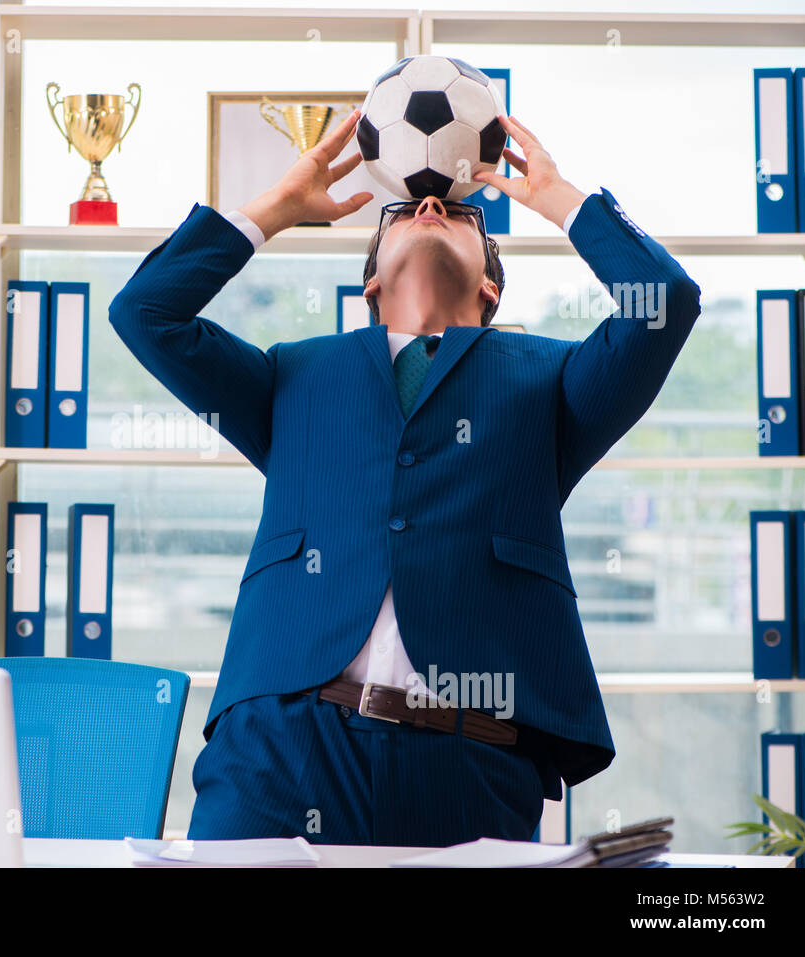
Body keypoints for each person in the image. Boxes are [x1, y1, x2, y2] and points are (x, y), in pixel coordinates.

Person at [108, 107, 702, 846]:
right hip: (282, 747)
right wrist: (275, 209)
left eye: (457, 210)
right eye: (404, 209)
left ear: (491, 286)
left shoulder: (552, 382)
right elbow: (145, 312)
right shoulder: (292, 375)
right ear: (368, 287)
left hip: (472, 755)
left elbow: (665, 304)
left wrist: (563, 202)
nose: (428, 205)